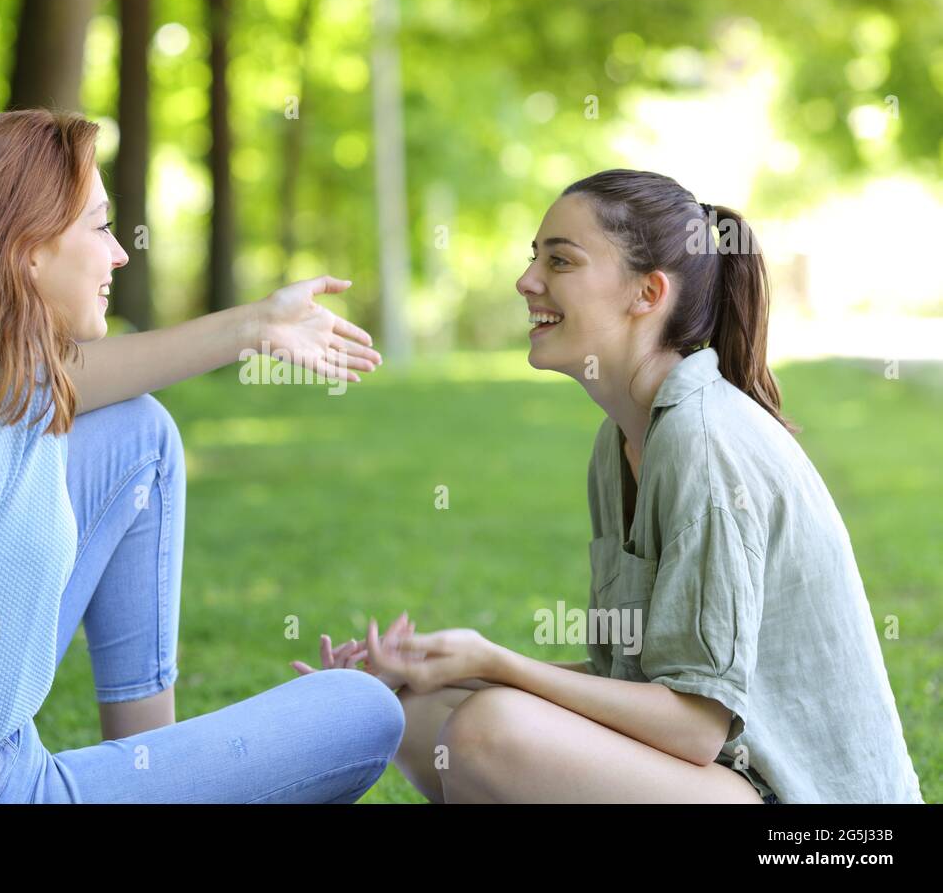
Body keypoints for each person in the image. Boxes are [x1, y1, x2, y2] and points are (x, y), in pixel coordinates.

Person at [0, 108, 403, 804]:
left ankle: (143, 760)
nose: (120, 252)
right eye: (100, 227)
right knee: (364, 709)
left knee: (138, 433)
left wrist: (257, 324)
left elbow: (94, 385)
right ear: (27, 248)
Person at [298, 169, 924, 804]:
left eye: (560, 260)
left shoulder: (703, 445)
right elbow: (625, 683)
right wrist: (429, 671)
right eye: (533, 258)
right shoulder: (622, 438)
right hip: (720, 781)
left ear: (647, 294)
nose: (527, 281)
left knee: (492, 732)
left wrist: (494, 664)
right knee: (411, 710)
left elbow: (694, 728)